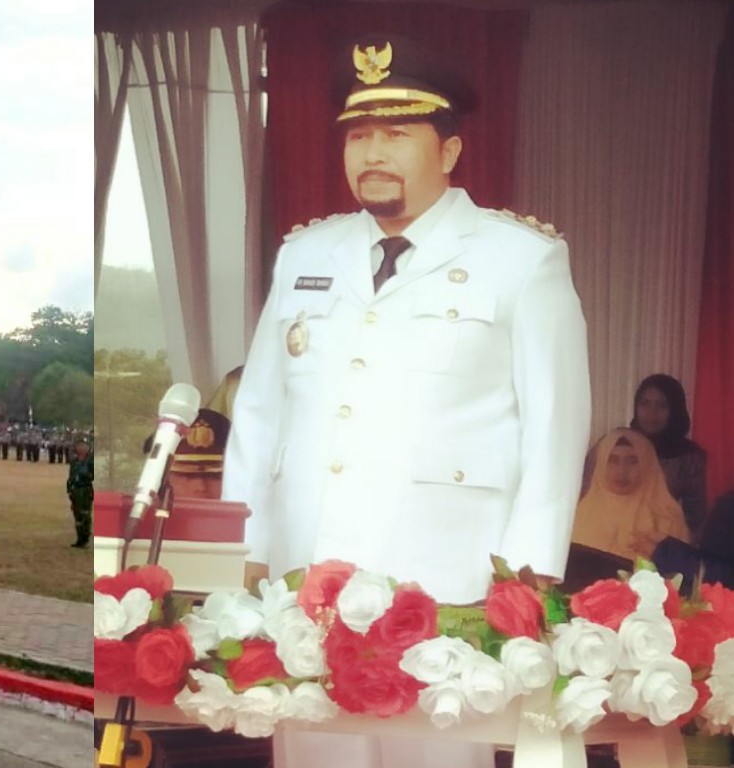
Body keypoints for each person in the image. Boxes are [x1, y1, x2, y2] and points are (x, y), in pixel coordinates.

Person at [221, 32, 590, 768]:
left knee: (438, 755)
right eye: (358, 134)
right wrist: (248, 550)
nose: (372, 152)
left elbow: (556, 428)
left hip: (448, 586)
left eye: (397, 132)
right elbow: (260, 414)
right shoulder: (306, 255)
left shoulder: (520, 259)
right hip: (308, 577)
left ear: (449, 151)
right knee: (316, 755)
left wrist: (527, 581)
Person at [583, 374, 709, 534]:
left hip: (660, 541)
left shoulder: (689, 457)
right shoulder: (616, 443)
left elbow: (695, 517)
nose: (652, 413)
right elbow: (585, 491)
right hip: (604, 535)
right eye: (645, 404)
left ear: (675, 409)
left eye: (662, 405)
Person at [574, 429, 687, 561]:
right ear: (601, 463)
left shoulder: (667, 517)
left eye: (633, 461)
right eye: (613, 460)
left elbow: (682, 573)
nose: (622, 470)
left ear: (648, 464)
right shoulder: (580, 515)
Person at [66, 439, 94, 548]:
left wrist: (85, 474)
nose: (81, 448)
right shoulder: (74, 461)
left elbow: (92, 476)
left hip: (85, 490)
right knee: (77, 515)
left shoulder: (90, 461)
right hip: (75, 491)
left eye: (83, 446)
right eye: (79, 446)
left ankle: (85, 537)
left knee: (85, 515)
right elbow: (70, 476)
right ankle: (79, 538)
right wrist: (69, 490)